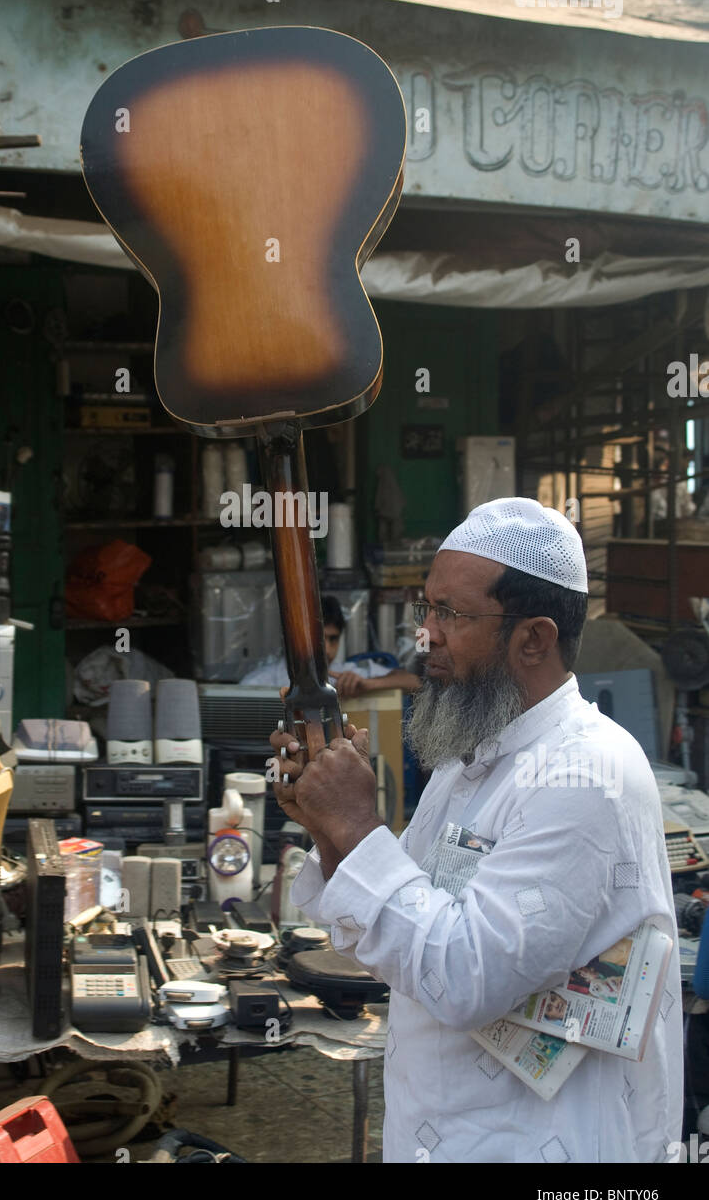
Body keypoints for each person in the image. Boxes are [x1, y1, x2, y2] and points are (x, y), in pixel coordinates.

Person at [268, 497, 682, 1164]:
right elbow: (400, 934)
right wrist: (328, 828)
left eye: (450, 615)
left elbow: (467, 976)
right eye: (424, 610)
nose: (425, 636)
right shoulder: (472, 758)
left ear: (534, 639)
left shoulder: (586, 773)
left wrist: (359, 822)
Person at [240, 594, 421, 698]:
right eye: (318, 640)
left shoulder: (348, 677)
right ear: (292, 639)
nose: (326, 649)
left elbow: (418, 683)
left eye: (333, 639)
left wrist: (369, 684)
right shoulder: (256, 686)